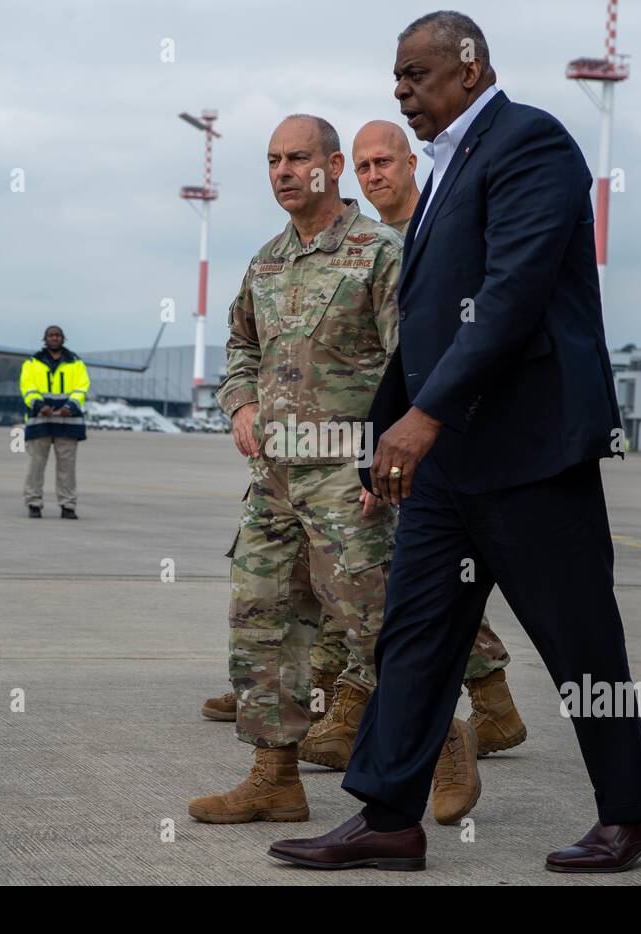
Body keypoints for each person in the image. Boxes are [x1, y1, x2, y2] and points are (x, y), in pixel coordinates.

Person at [268, 11, 641, 874]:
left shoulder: (532, 143)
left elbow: (510, 295)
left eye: (415, 74)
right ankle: (387, 816)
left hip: (529, 455)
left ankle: (634, 813)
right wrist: (387, 436)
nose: (403, 90)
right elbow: (424, 328)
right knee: (414, 636)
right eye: (397, 77)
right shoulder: (445, 172)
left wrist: (427, 418)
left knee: (579, 641)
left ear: (470, 66)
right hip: (449, 468)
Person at [188, 113, 481, 827]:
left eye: (297, 159)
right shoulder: (265, 261)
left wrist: (389, 468)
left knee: (374, 627)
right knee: (260, 622)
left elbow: (415, 365)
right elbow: (240, 345)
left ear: (333, 166)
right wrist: (239, 406)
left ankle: (443, 746)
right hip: (275, 479)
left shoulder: (380, 254)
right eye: (271, 161)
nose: (283, 172)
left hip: (352, 477)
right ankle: (273, 778)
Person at [19, 325, 89, 519]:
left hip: (68, 422)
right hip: (40, 420)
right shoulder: (32, 363)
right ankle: (34, 503)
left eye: (58, 335)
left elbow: (81, 388)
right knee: (36, 465)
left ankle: (68, 505)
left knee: (67, 467)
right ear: (45, 339)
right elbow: (27, 388)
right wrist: (40, 405)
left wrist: (71, 406)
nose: (55, 338)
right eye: (51, 335)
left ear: (63, 339)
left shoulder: (76, 363)